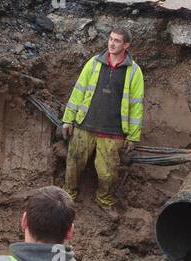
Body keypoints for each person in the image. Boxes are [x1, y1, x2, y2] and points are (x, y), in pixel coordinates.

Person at [61, 26, 144, 209]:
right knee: (73, 164)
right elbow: (78, 92)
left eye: (117, 41)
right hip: (85, 125)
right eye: (110, 39)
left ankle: (104, 201)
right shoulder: (93, 63)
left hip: (113, 132)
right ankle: (68, 196)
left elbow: (136, 106)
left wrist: (133, 135)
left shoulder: (134, 71)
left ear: (126, 45)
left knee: (108, 173)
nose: (112, 43)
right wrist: (68, 119)